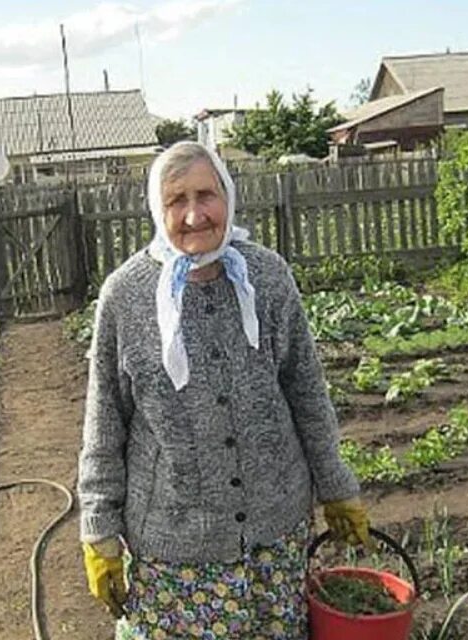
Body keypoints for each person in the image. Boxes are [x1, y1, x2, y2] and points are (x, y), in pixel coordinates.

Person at [78, 141, 371, 639]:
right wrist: (98, 530)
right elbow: (105, 423)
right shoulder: (125, 296)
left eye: (205, 195)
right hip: (177, 550)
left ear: (228, 197)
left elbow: (307, 394)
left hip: (276, 534)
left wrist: (337, 486)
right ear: (157, 208)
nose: (194, 215)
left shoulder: (267, 276)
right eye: (176, 201)